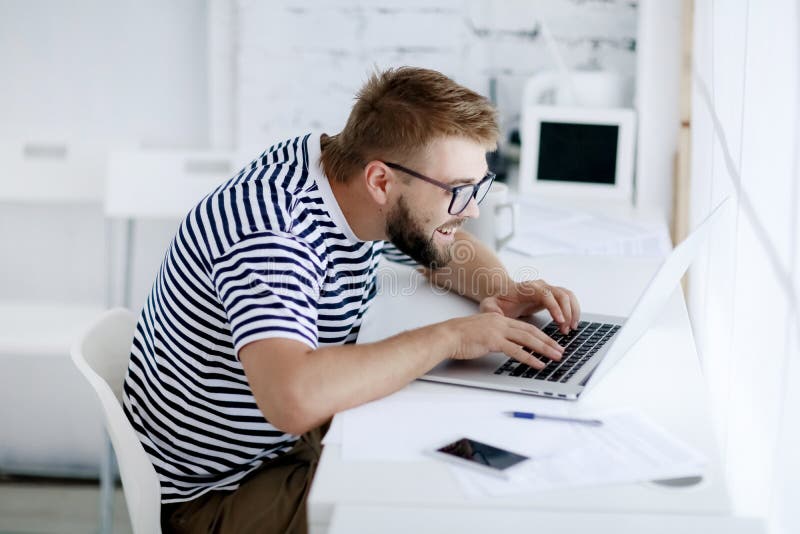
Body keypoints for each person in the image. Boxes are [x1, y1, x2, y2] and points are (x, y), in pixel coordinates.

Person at [123, 66, 580, 534]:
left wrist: (501, 291)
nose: (473, 209)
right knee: (443, 508)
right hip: (223, 489)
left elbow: (440, 247)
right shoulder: (274, 232)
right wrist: (450, 337)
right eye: (459, 191)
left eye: (478, 187)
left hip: (289, 442)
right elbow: (292, 399)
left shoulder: (339, 175)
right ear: (380, 182)